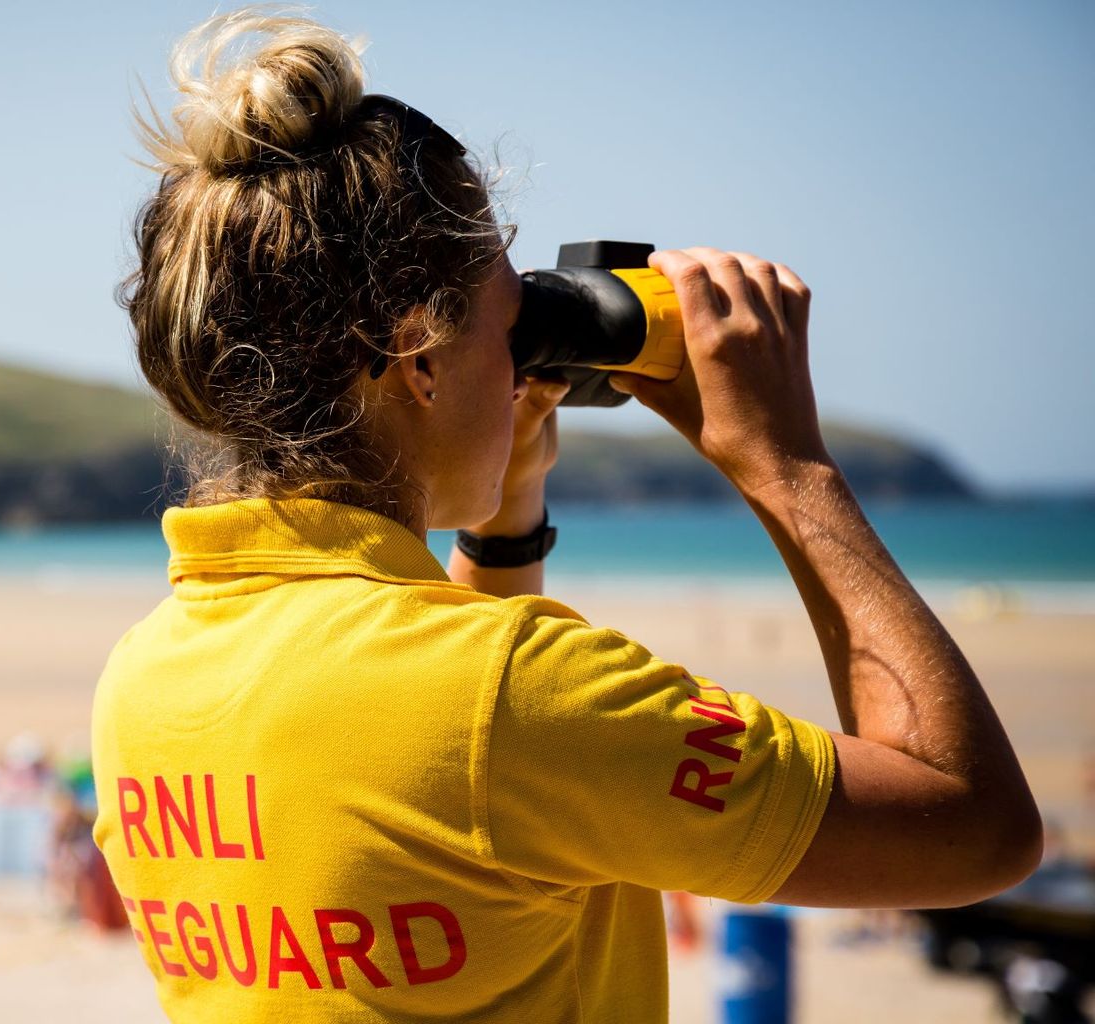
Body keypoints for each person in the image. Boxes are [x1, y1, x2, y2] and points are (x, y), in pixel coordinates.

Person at [90, 9, 1042, 1021]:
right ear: (418, 355)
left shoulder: (145, 677)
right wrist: (787, 467)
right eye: (513, 324)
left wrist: (505, 525)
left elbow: (466, 800)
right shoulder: (512, 696)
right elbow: (974, 827)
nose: (521, 367)